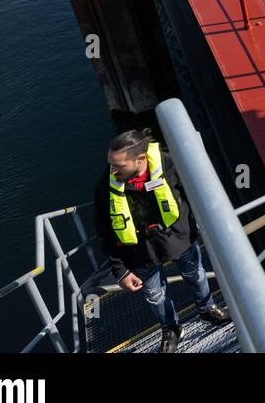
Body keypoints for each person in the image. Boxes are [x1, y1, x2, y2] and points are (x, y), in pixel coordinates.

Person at [94, 129, 229, 352]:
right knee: (155, 296)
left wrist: (208, 226)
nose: (112, 170)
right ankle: (171, 329)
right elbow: (104, 230)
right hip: (140, 254)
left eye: (119, 165)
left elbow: (197, 192)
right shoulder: (105, 186)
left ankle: (206, 308)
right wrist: (121, 271)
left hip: (180, 239)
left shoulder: (170, 163)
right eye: (111, 164)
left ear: (140, 159)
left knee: (196, 274)